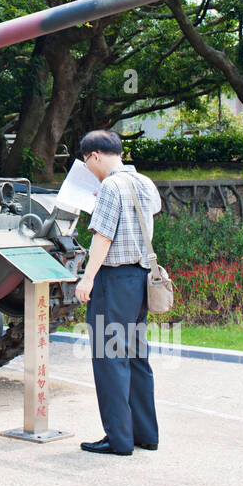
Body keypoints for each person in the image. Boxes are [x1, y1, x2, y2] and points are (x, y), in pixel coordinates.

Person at [72, 129, 161, 456]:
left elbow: (103, 238)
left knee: (110, 358)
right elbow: (147, 215)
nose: (89, 168)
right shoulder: (144, 182)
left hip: (113, 281)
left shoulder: (110, 186)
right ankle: (145, 434)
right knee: (137, 356)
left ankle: (119, 440)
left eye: (87, 161)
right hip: (140, 280)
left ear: (94, 155)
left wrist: (87, 278)